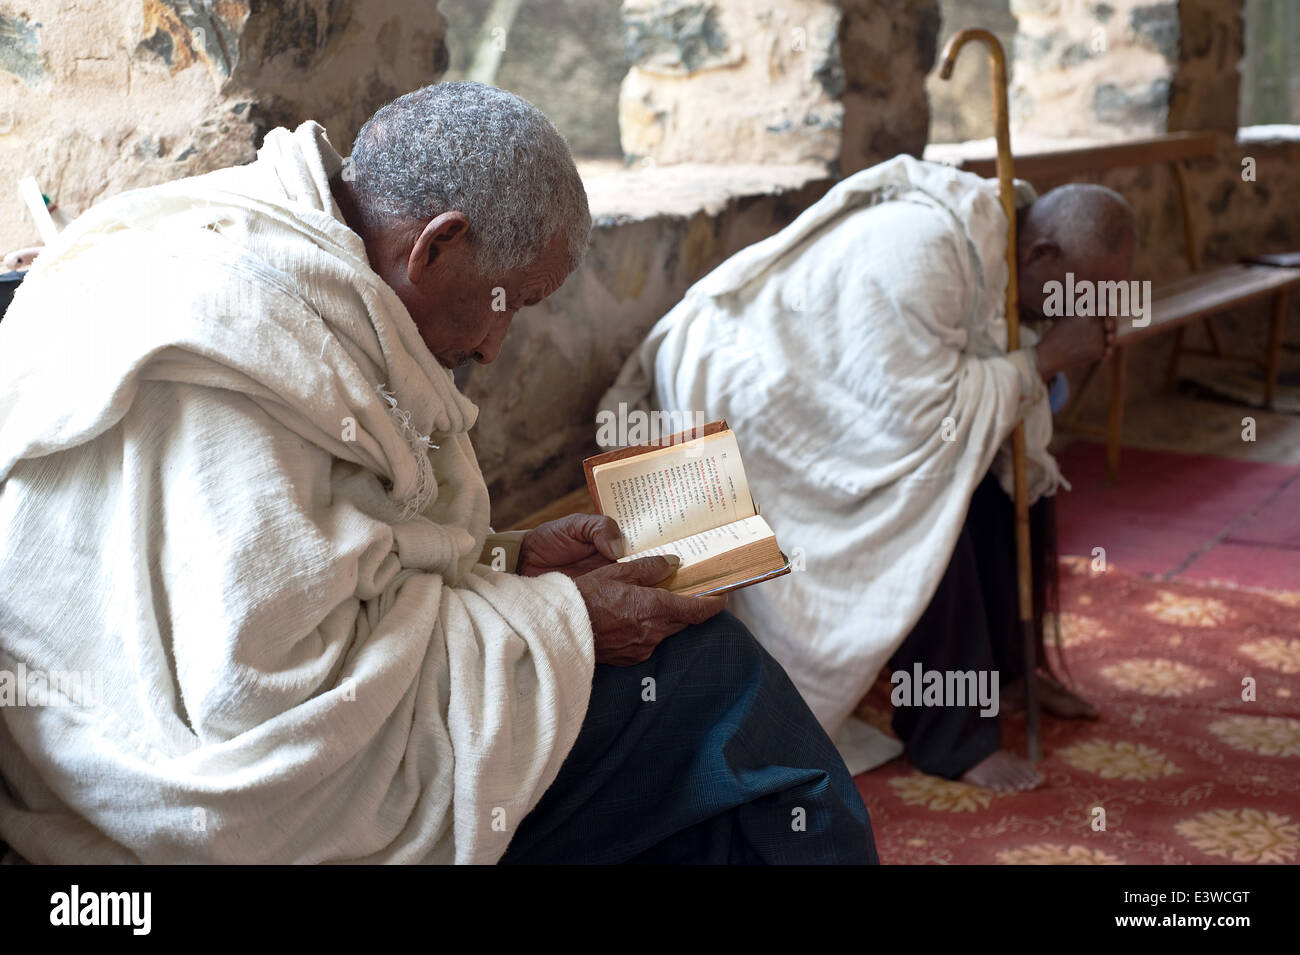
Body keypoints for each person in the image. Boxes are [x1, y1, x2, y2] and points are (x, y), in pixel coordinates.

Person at [0, 82, 875, 864]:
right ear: (436, 246)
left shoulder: (284, 243)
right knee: (713, 680)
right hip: (196, 785)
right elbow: (260, 698)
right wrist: (566, 619)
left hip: (247, 713)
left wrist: (507, 561)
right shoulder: (237, 344)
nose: (496, 347)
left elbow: (350, 560)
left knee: (698, 713)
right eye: (511, 302)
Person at [603, 155, 1136, 792]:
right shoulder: (927, 252)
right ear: (1043, 252)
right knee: (930, 493)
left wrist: (1040, 364)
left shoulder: (997, 254)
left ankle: (1007, 671)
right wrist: (1045, 357)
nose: (1075, 309)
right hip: (741, 390)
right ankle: (953, 733)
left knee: (1004, 470)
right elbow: (922, 423)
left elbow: (952, 398)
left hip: (831, 387)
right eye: (1074, 292)